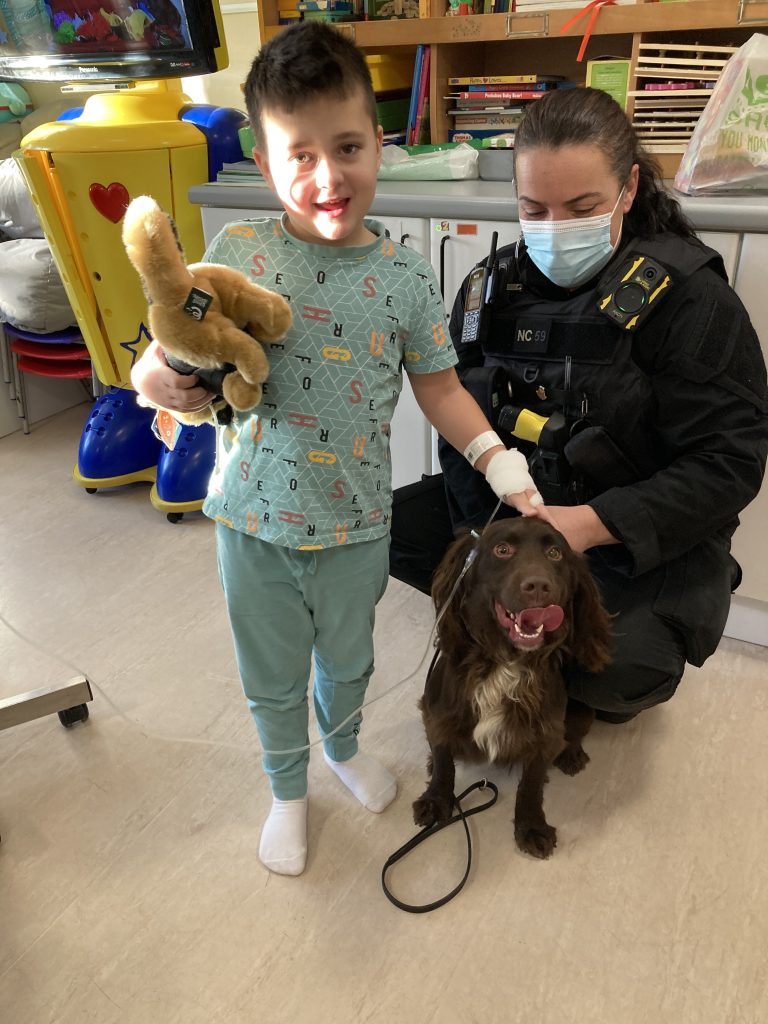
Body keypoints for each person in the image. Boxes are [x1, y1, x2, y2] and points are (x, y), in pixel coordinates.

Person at [130, 21, 541, 876]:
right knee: (272, 671)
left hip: (356, 525)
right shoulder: (237, 253)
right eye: (300, 154)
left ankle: (342, 746)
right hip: (252, 525)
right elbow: (179, 338)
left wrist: (499, 458)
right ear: (261, 152)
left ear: (378, 141)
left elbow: (439, 386)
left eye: (348, 147)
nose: (328, 177)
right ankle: (288, 788)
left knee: (349, 660)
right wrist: (151, 380)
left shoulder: (402, 277)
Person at [391, 86, 768, 727]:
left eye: (582, 206)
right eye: (532, 208)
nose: (555, 227)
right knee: (385, 531)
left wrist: (591, 524)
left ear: (628, 189)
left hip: (630, 531)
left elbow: (729, 464)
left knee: (617, 670)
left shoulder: (691, 301)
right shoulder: (489, 291)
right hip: (517, 515)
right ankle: (512, 634)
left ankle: (580, 681)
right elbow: (460, 423)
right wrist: (485, 545)